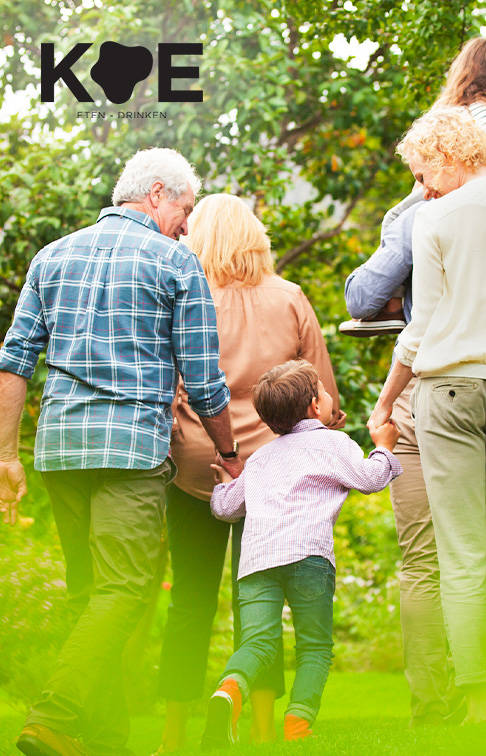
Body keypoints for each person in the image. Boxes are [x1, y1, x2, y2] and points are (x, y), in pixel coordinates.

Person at [338, 36, 486, 726]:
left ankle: (473, 703)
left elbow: (415, 324)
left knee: (452, 554)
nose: (422, 184)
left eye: (424, 172)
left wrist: (384, 399)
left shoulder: (430, 214)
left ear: (447, 155)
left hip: (446, 388)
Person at [0, 148, 241, 756]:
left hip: (60, 450)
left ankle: (102, 740)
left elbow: (13, 361)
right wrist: (228, 450)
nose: (187, 223)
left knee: (89, 595)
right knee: (124, 588)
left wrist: (6, 455)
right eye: (185, 208)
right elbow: (203, 378)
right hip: (130, 452)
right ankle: (51, 716)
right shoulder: (175, 261)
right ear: (157, 193)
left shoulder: (52, 256)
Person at [155, 194, 344, 752]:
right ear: (256, 236)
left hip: (199, 466)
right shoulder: (289, 297)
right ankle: (262, 732)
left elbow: (165, 382)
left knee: (189, 599)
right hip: (273, 476)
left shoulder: (185, 295)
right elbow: (326, 401)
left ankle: (172, 736)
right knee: (258, 602)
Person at [200, 360, 401, 748]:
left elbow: (226, 509)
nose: (328, 396)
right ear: (314, 405)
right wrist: (383, 447)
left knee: (257, 644)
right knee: (314, 646)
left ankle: (229, 690)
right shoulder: (334, 443)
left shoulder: (260, 458)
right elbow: (372, 479)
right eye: (324, 391)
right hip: (309, 556)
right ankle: (298, 724)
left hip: (257, 561)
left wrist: (225, 483)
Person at [340, 36, 486, 335]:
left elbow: (439, 168)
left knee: (399, 215)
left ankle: (393, 303)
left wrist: (421, 187)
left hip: (474, 193)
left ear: (464, 72)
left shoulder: (461, 113)